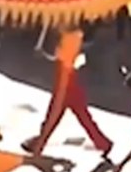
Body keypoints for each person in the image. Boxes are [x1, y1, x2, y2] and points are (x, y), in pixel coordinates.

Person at [22, 25, 113, 159]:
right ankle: (103, 143)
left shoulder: (69, 38)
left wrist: (61, 90)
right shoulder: (72, 35)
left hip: (66, 79)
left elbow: (65, 61)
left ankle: (39, 144)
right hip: (70, 79)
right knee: (82, 116)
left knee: (55, 114)